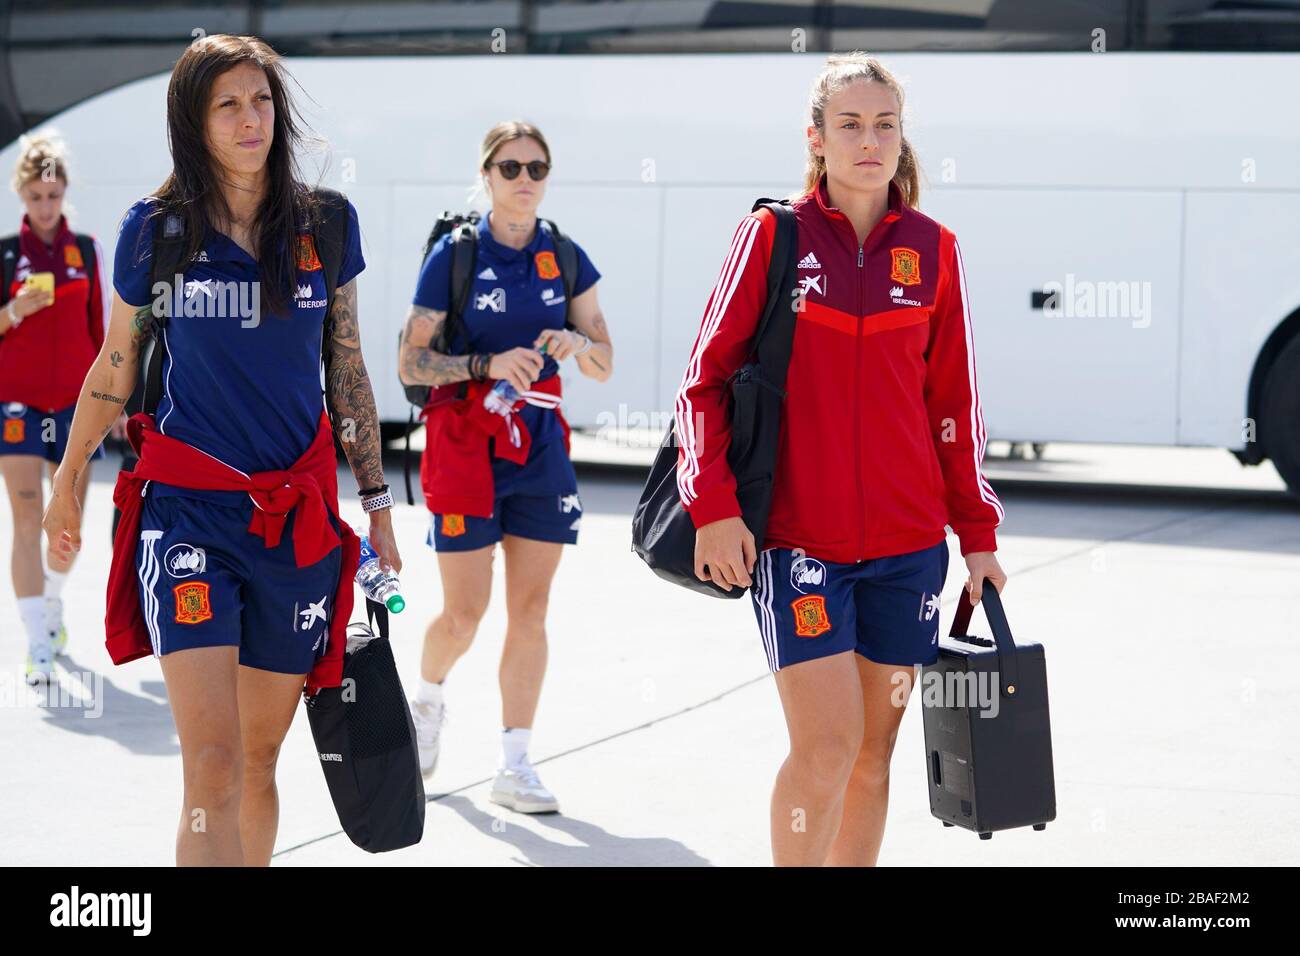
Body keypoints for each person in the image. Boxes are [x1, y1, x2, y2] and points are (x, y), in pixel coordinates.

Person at [42, 34, 399, 866]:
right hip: (190, 518)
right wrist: (68, 482)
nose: (251, 119)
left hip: (295, 527)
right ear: (193, 123)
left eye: (262, 100)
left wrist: (378, 506)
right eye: (228, 104)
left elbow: (346, 368)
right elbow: (115, 365)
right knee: (208, 763)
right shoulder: (157, 231)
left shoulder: (325, 224)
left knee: (257, 758)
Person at [674, 52, 1008, 866]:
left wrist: (977, 533)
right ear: (816, 138)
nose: (869, 141)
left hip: (907, 553)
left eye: (884, 125)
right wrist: (713, 506)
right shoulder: (772, 238)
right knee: (825, 748)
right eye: (850, 125)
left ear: (902, 139)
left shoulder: (933, 250)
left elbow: (952, 409)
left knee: (869, 757)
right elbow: (703, 383)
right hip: (800, 546)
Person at [397, 121, 612, 813]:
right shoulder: (456, 256)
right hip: (464, 445)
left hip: (540, 447)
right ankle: (426, 704)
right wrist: (486, 363)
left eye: (536, 167)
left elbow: (605, 362)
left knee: (532, 608)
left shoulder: (565, 255)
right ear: (486, 174)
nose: (525, 180)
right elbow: (410, 360)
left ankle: (514, 764)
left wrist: (577, 342)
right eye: (511, 167)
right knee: (465, 613)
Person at [0, 131, 116, 684]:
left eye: (52, 195)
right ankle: (38, 642)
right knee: (25, 520)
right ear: (22, 196)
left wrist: (114, 402)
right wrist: (13, 310)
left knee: (66, 527)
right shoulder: (5, 254)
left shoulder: (86, 250)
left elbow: (104, 333)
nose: (44, 207)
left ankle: (51, 603)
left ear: (63, 192)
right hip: (16, 403)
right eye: (34, 197)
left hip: (77, 406)